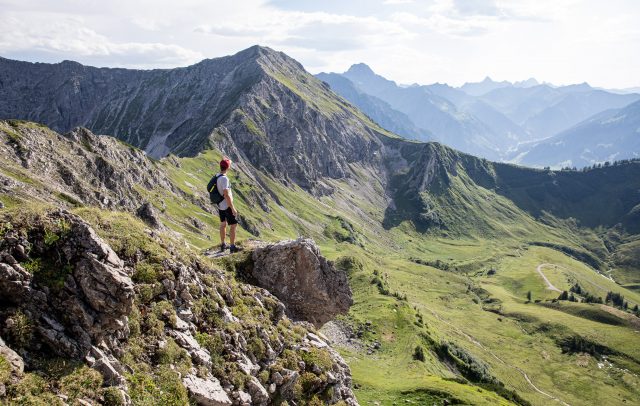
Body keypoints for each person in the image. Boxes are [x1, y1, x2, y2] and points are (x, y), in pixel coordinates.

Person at [213, 158, 242, 253]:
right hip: (227, 205)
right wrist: (232, 208)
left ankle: (223, 244)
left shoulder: (217, 176)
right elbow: (226, 194)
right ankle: (232, 247)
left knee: (223, 224)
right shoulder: (224, 179)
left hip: (220, 205)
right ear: (228, 167)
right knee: (233, 225)